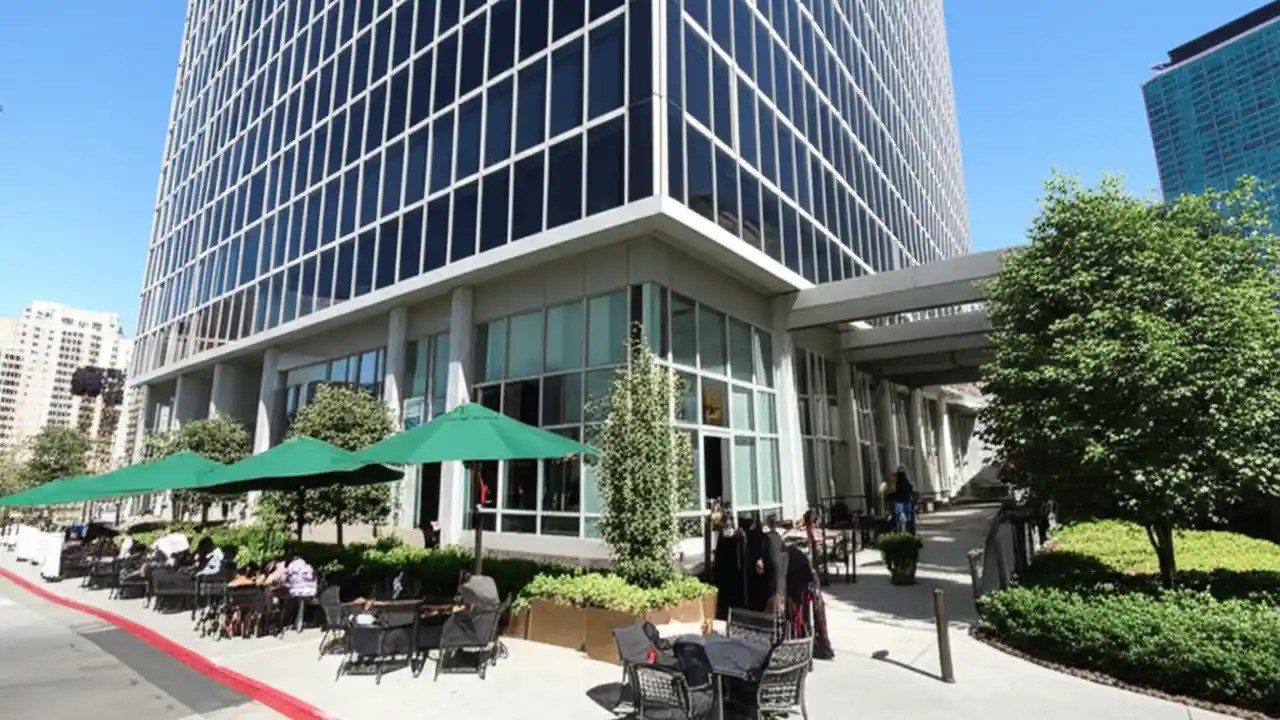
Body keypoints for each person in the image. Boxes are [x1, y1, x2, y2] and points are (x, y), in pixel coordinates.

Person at [890, 466, 916, 533]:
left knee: (895, 516)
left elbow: (894, 492)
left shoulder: (897, 483)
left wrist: (890, 496)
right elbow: (911, 490)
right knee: (909, 517)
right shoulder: (906, 482)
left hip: (899, 502)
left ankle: (894, 528)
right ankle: (910, 530)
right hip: (905, 502)